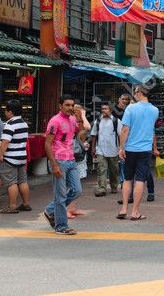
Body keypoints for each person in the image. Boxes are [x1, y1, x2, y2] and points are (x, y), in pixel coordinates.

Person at [43, 96, 90, 235]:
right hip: (59, 161)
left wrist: (80, 117)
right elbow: (47, 144)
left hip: (71, 160)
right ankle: (61, 226)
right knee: (61, 195)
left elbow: (81, 136)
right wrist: (54, 165)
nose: (70, 108)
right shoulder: (54, 121)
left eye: (72, 105)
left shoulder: (72, 119)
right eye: (67, 105)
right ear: (60, 106)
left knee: (77, 190)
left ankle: (51, 210)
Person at [118, 84, 160, 221]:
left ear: (140, 93)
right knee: (140, 179)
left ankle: (124, 208)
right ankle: (135, 211)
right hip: (145, 149)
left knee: (127, 179)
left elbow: (125, 130)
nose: (134, 94)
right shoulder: (155, 110)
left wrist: (121, 147)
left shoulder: (130, 108)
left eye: (135, 91)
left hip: (130, 148)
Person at [0, 99, 31, 214]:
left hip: (10, 158)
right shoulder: (24, 123)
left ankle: (12, 206)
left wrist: (0, 155)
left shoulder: (10, 124)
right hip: (21, 157)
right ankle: (25, 204)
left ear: (10, 112)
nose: (5, 113)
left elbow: (5, 142)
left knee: (11, 183)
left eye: (6, 110)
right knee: (22, 181)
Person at [91, 101, 122, 197]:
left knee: (114, 170)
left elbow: (121, 136)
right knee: (101, 169)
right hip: (100, 150)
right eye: (102, 109)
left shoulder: (116, 121)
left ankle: (114, 186)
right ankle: (102, 188)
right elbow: (93, 135)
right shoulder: (98, 121)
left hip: (113, 150)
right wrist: (93, 148)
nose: (103, 111)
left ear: (111, 110)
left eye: (105, 109)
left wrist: (121, 148)